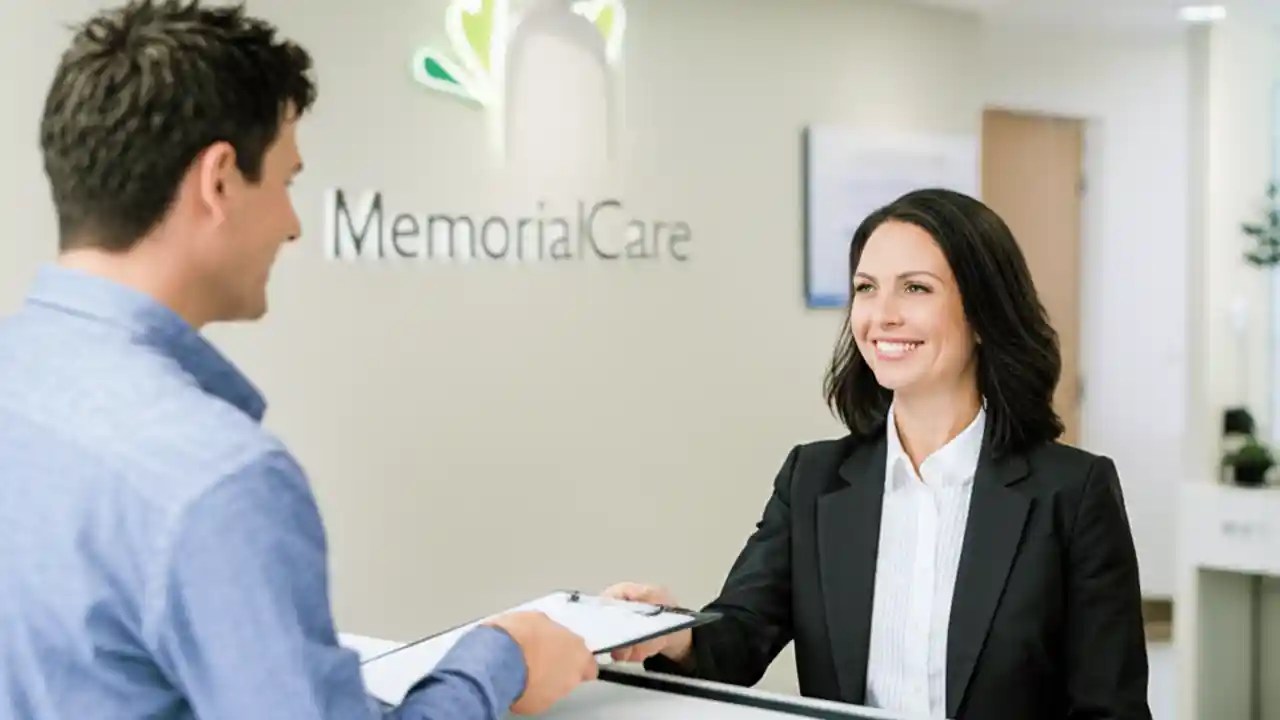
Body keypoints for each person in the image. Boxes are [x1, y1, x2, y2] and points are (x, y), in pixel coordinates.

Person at [0, 2, 596, 718]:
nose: (292, 224)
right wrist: (500, 660)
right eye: (285, 182)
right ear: (219, 180)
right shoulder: (217, 479)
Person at [605, 189, 1153, 719]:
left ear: (983, 313)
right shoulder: (812, 480)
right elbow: (738, 639)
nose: (882, 315)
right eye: (866, 288)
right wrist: (674, 632)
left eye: (915, 288)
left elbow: (1111, 708)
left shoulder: (1073, 492)